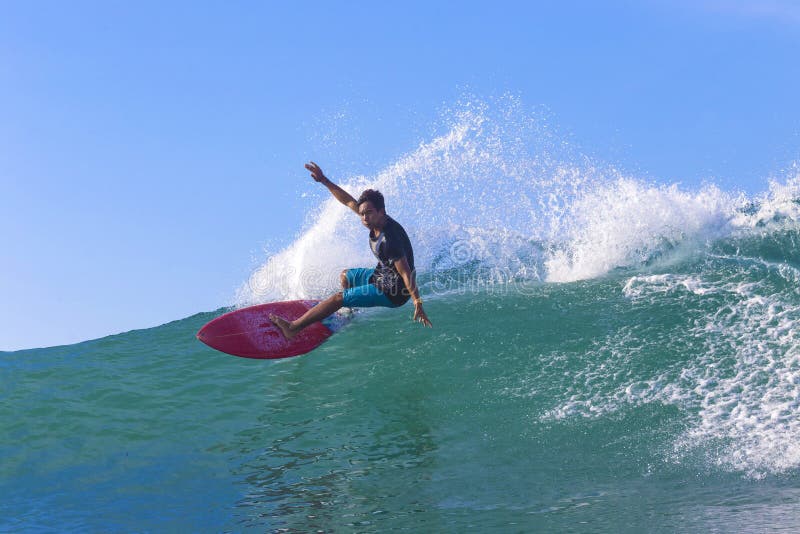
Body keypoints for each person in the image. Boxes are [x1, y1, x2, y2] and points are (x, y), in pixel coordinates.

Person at [269, 162, 432, 339]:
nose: (364, 218)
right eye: (362, 213)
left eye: (368, 213)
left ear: (381, 211)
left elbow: (407, 273)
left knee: (338, 298)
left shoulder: (390, 240)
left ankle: (293, 328)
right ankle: (350, 311)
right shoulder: (373, 220)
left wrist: (418, 301)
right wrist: (324, 180)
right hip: (382, 275)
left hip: (393, 292)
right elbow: (348, 201)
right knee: (345, 276)